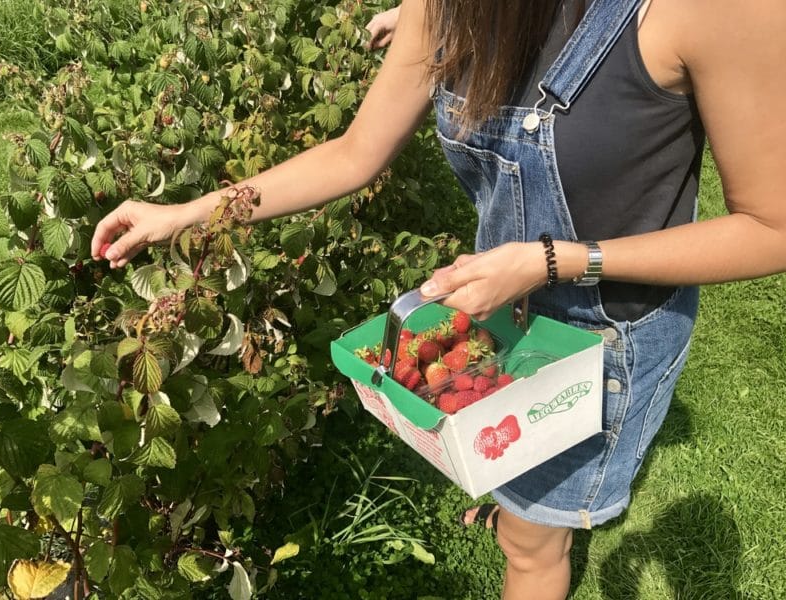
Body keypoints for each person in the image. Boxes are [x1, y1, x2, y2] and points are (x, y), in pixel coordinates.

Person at [91, 1, 786, 598]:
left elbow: (770, 229)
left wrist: (556, 261)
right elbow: (354, 152)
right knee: (505, 480)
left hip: (606, 334)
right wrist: (190, 212)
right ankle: (516, 506)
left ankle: (526, 529)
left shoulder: (702, 11)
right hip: (496, 313)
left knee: (531, 546)